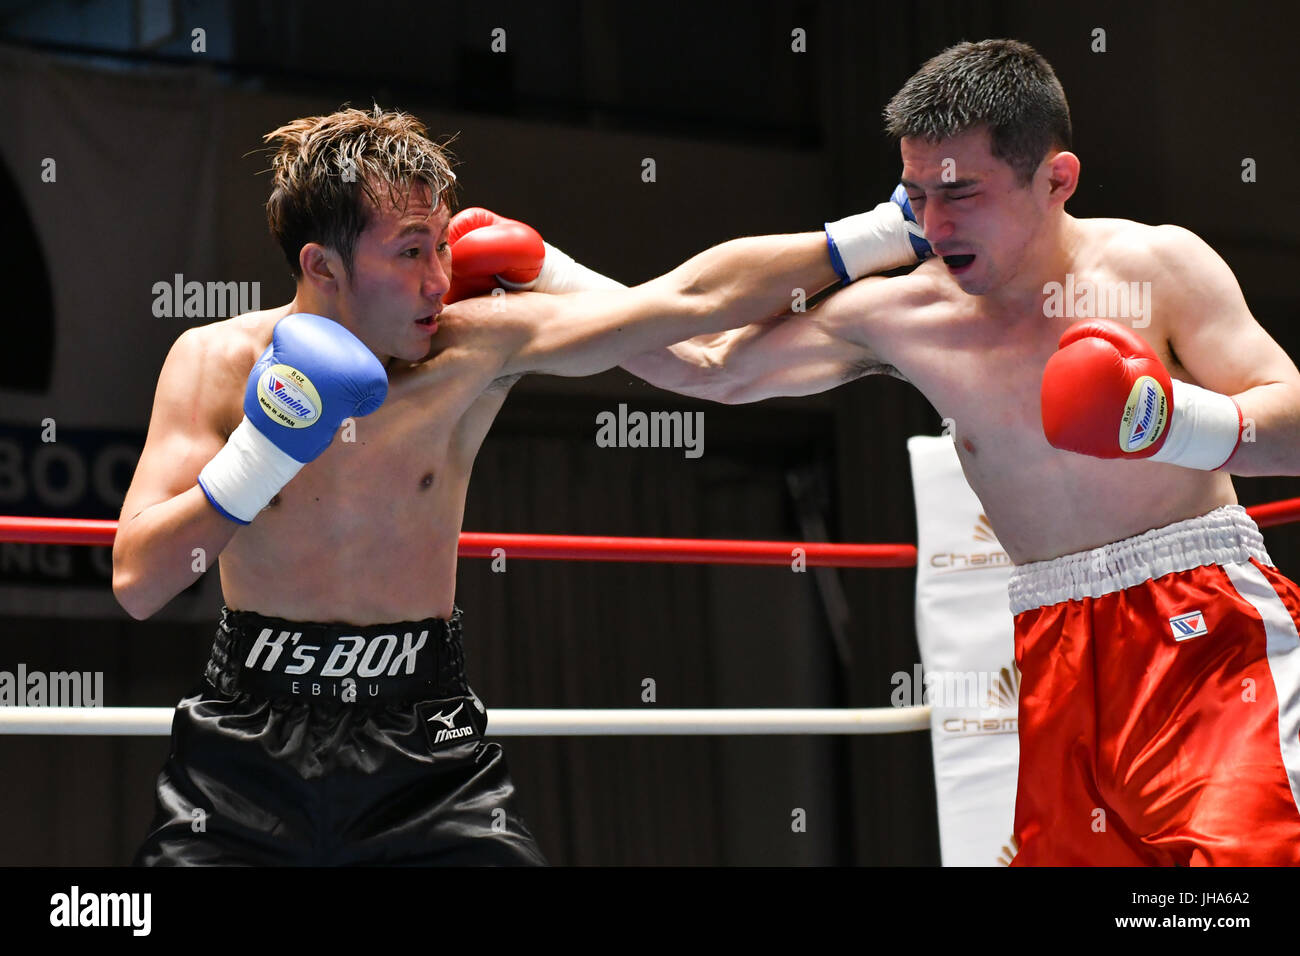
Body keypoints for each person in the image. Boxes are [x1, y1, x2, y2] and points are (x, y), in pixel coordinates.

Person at [612, 40, 1300, 865]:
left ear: (1057, 179)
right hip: (1051, 639)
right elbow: (708, 365)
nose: (933, 226)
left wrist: (1169, 421)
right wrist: (550, 284)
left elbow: (1291, 425)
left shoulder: (1155, 267)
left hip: (1200, 624)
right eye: (916, 195)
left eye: (962, 193)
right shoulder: (901, 313)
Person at [112, 105, 851, 865]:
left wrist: (878, 237)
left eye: (441, 245)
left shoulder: (478, 345)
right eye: (408, 253)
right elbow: (139, 583)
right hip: (245, 752)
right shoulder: (213, 363)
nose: (441, 280)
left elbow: (689, 301)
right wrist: (262, 453)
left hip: (426, 746)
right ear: (321, 266)